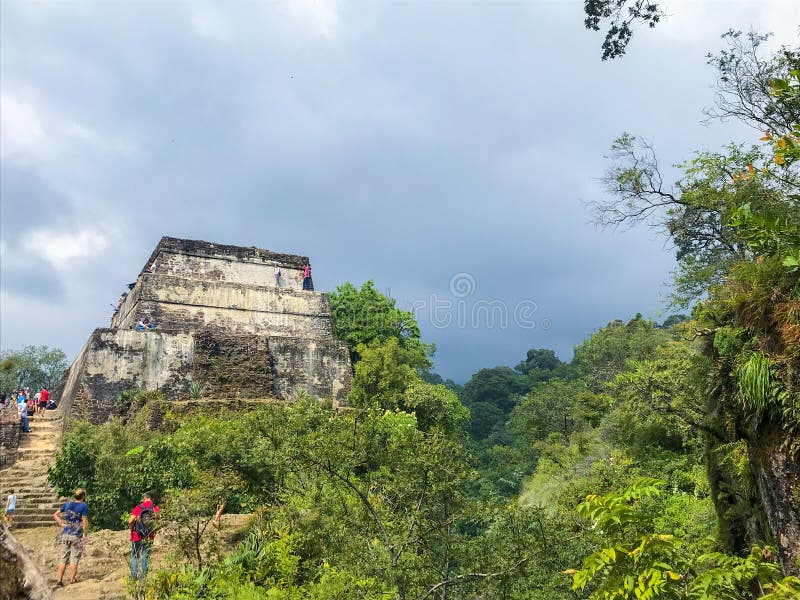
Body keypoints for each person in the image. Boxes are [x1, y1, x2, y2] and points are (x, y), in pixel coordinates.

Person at [53, 488, 89, 587]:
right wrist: (85, 535)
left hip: (65, 534)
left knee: (63, 558)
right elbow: (84, 522)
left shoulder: (68, 504)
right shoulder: (83, 506)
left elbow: (55, 514)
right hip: (76, 535)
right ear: (83, 496)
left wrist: (61, 523)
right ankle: (72, 580)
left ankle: (59, 581)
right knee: (74, 558)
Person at [128, 491, 160, 581]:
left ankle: (134, 577)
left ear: (145, 498)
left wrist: (131, 529)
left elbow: (130, 521)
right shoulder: (155, 508)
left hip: (136, 535)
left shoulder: (138, 507)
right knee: (145, 556)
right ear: (152, 498)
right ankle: (143, 579)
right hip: (149, 536)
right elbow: (158, 522)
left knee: (135, 555)